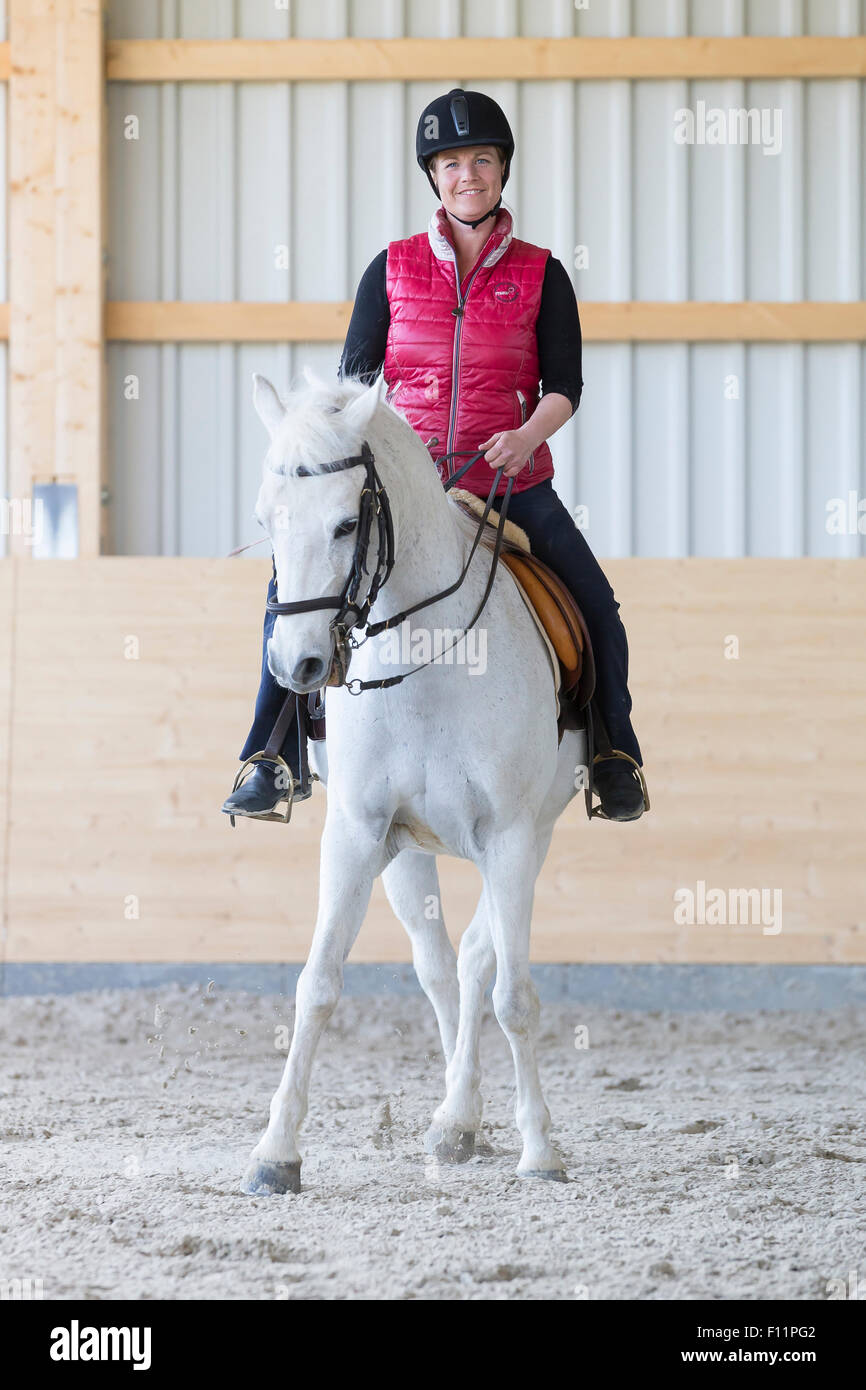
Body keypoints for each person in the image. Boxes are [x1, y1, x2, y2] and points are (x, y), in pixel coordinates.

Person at [223, 87, 647, 824]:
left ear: (502, 170)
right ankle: (274, 755)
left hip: (510, 481)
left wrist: (525, 438)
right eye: (451, 164)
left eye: (481, 159)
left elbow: (565, 387)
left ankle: (615, 755)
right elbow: (350, 392)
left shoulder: (544, 275)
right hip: (406, 492)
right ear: (433, 177)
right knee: (293, 590)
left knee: (598, 607)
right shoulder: (388, 270)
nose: (467, 176)